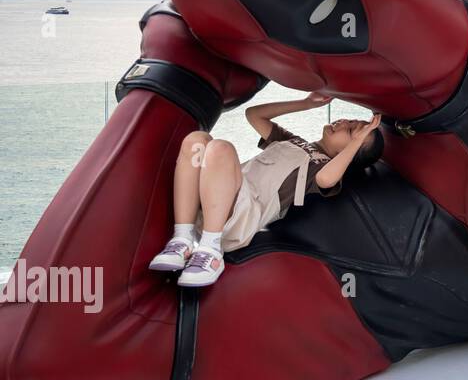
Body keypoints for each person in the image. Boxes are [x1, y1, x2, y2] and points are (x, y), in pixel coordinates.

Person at [148, 92, 385, 286]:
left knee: (219, 148)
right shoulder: (293, 141)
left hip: (240, 216)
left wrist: (356, 142)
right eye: (351, 122)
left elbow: (327, 180)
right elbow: (254, 114)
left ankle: (210, 253)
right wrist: (305, 103)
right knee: (197, 139)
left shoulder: (321, 166)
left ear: (348, 153)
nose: (344, 123)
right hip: (212, 200)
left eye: (352, 131)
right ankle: (182, 239)